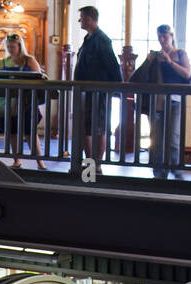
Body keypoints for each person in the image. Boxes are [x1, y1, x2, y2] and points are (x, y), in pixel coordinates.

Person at [72, 6, 121, 172]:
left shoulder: (102, 40)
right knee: (87, 127)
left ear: (89, 19)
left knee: (98, 128)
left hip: (98, 91)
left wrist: (116, 89)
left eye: (81, 18)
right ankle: (90, 164)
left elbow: (113, 66)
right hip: (86, 90)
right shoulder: (89, 38)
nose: (80, 21)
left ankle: (95, 165)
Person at [143, 24, 191, 178]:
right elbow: (143, 76)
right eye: (159, 36)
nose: (162, 39)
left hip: (175, 100)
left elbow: (187, 74)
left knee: (173, 137)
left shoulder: (180, 53)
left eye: (164, 36)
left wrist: (169, 61)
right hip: (157, 100)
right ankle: (159, 171)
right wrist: (148, 61)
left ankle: (175, 168)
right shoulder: (156, 56)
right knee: (157, 138)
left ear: (171, 36)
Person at [0, 34, 46, 169]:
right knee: (12, 132)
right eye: (8, 47)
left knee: (30, 132)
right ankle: (16, 160)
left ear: (19, 46)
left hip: (27, 102)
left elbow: (40, 79)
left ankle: (39, 161)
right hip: (8, 103)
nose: (10, 49)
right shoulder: (2, 63)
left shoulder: (29, 61)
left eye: (13, 46)